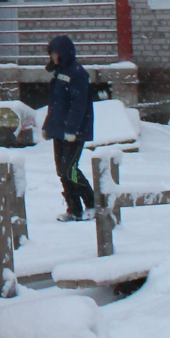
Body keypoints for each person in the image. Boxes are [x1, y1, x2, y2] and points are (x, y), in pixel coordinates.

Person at [42, 34, 96, 220]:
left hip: (75, 131)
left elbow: (78, 105)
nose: (52, 57)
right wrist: (47, 126)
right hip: (59, 130)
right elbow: (55, 104)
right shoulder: (59, 74)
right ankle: (74, 209)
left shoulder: (77, 73)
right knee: (62, 170)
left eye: (55, 53)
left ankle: (92, 203)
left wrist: (72, 130)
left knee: (70, 168)